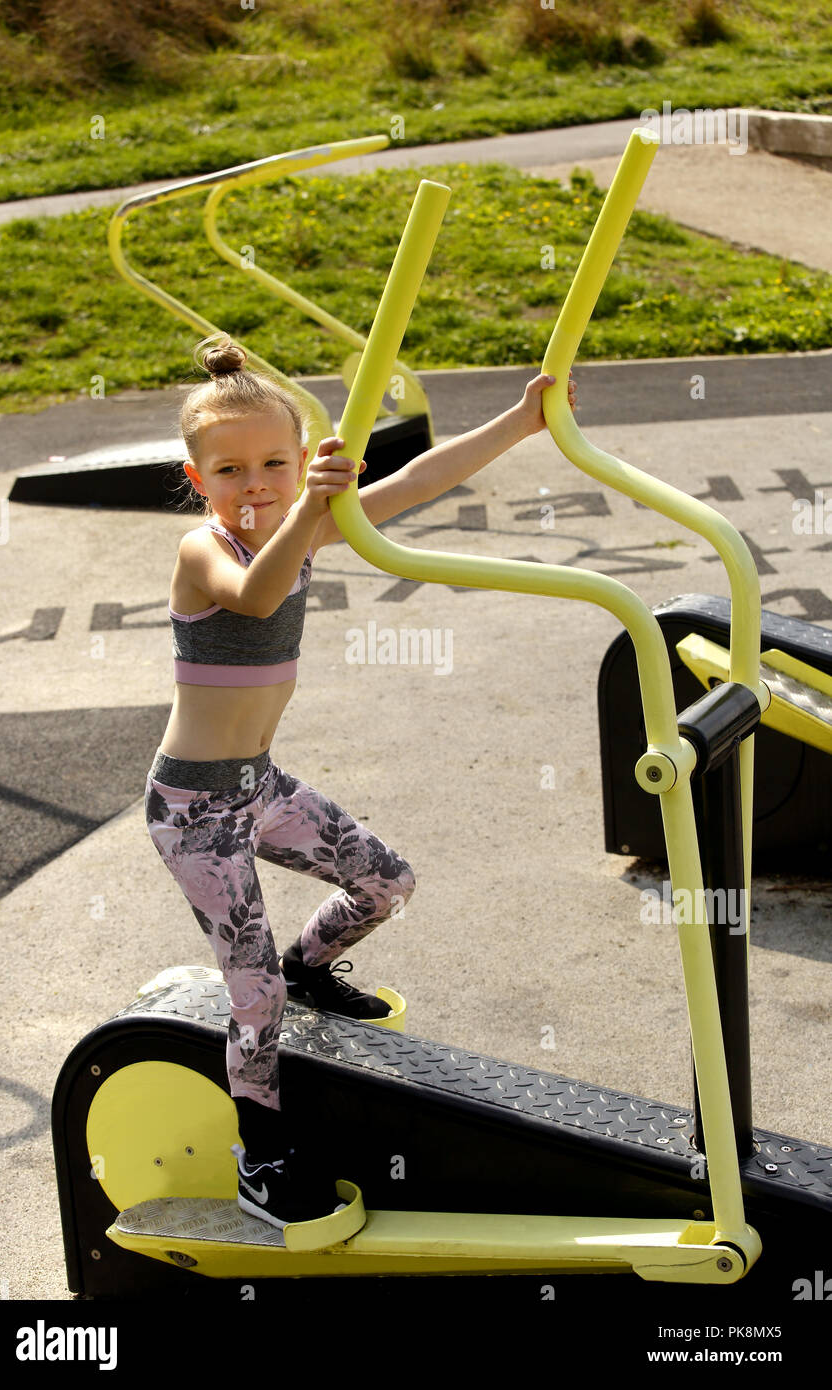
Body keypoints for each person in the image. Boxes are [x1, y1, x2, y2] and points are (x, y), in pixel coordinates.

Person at [144, 334, 577, 1231]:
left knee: (387, 882)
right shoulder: (204, 548)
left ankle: (313, 968)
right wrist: (309, 510)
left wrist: (523, 420)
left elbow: (418, 482)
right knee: (248, 994)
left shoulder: (307, 521)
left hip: (257, 786)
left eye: (275, 463)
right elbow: (257, 596)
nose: (255, 483)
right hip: (193, 811)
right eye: (231, 470)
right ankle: (261, 1159)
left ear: (304, 462)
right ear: (198, 478)